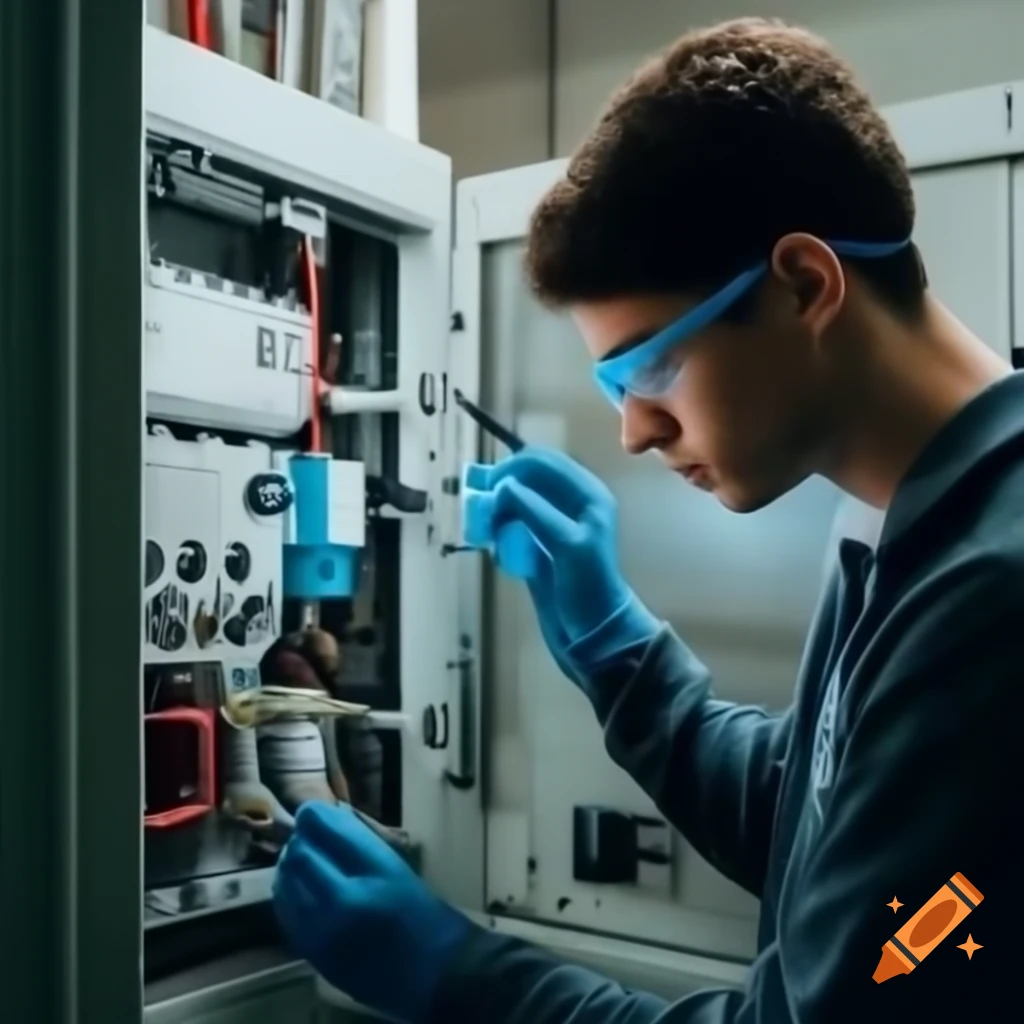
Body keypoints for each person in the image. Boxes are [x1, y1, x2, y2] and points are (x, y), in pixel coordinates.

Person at [272, 17, 1019, 1023]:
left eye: (650, 366)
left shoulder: (993, 587)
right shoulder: (907, 520)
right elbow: (817, 830)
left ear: (805, 283)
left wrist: (457, 975)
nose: (632, 432)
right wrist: (611, 640)